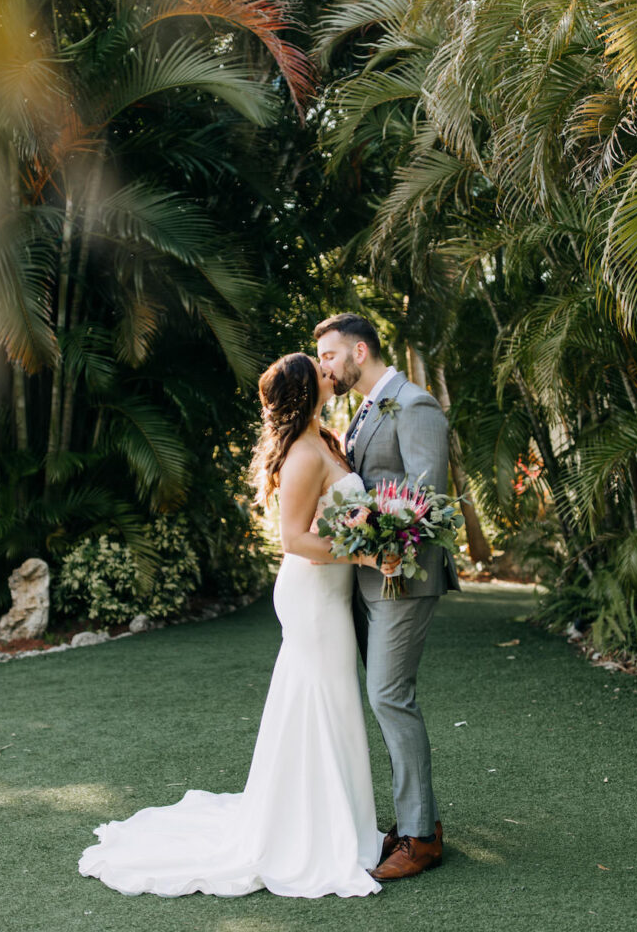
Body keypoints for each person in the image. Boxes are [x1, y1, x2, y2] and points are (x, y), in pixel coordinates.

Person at [78, 352, 395, 898]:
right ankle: (317, 835)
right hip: (312, 595)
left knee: (329, 699)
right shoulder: (301, 454)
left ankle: (345, 823)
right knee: (322, 699)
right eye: (318, 370)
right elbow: (293, 539)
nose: (329, 372)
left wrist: (370, 529)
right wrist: (366, 557)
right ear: (303, 390)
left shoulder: (327, 439)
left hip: (329, 592)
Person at [314, 313, 460, 881]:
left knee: (388, 697)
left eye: (328, 355)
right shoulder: (368, 407)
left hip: (403, 576)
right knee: (382, 698)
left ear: (358, 349)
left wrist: (367, 527)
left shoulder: (414, 403)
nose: (324, 366)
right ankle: (410, 822)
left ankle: (421, 838)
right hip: (369, 576)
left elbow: (425, 498)